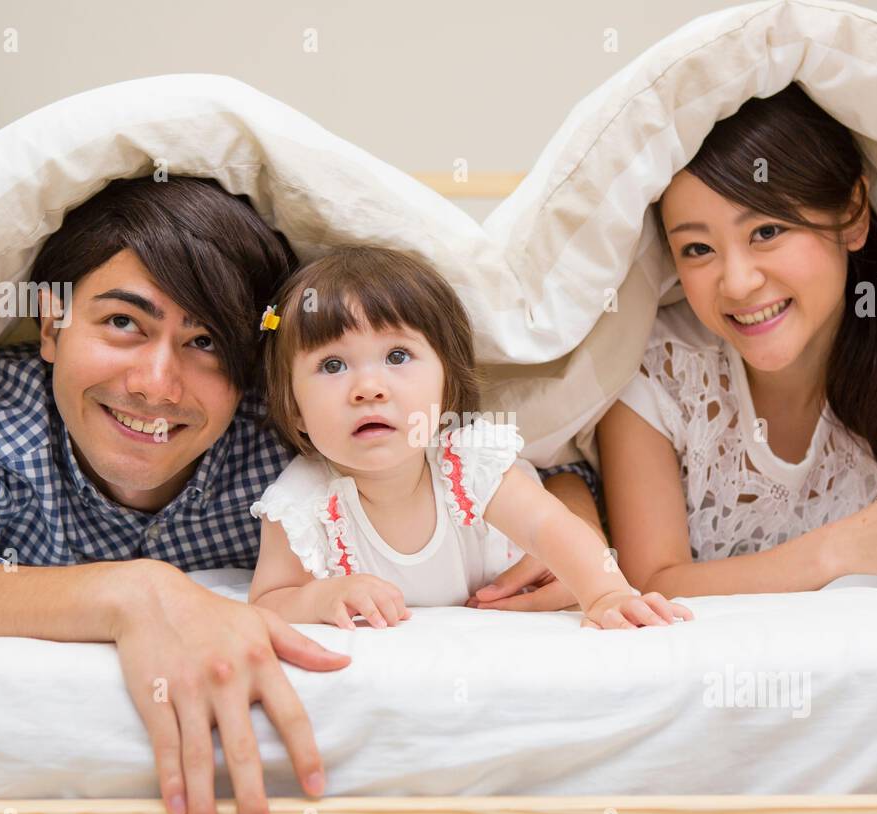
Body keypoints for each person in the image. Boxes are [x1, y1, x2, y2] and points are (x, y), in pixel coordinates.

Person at [0, 175, 605, 814]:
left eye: (205, 343)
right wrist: (137, 593)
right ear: (53, 323)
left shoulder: (288, 427)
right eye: (123, 323)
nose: (157, 384)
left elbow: (490, 451)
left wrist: (568, 516)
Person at [596, 83, 877, 596]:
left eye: (767, 232)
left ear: (854, 213)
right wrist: (843, 548)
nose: (738, 282)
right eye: (698, 248)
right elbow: (653, 582)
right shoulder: (658, 369)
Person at [247, 246, 690, 629]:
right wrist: (320, 598)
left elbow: (548, 527)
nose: (369, 388)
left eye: (397, 356)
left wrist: (605, 595)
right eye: (332, 366)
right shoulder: (301, 504)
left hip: (522, 574)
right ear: (294, 409)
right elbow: (268, 600)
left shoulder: (467, 462)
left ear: (447, 385)